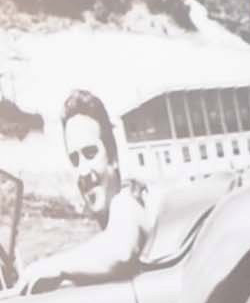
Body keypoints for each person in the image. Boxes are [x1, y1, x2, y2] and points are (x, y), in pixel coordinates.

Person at [22, 89, 155, 291]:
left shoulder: (126, 202)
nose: (83, 170)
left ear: (113, 158)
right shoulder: (113, 223)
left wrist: (48, 267)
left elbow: (120, 252)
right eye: (75, 160)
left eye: (91, 153)